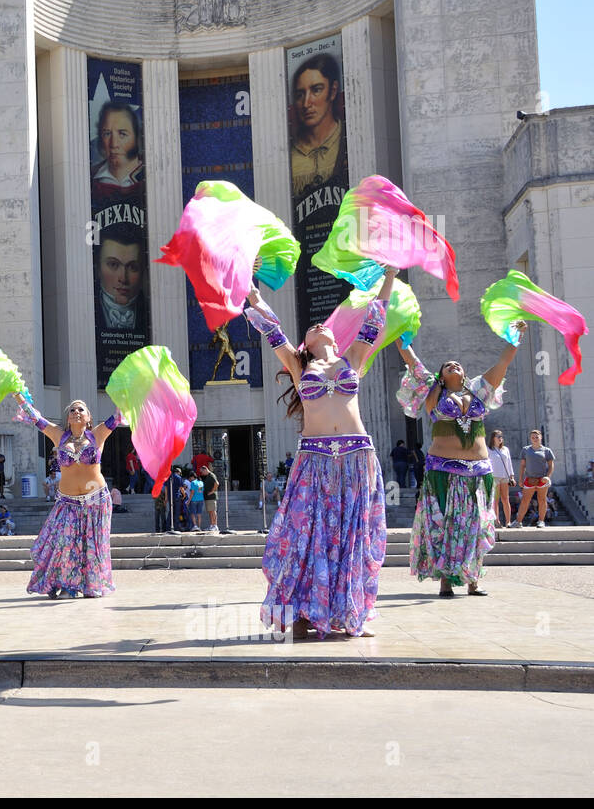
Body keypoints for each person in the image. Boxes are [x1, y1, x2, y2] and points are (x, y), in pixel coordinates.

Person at [244, 267, 396, 638]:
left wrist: (390, 274)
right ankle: (299, 612)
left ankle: (350, 610)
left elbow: (376, 316)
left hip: (357, 457)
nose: (318, 326)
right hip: (313, 459)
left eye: (322, 326)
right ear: (305, 343)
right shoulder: (299, 366)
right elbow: (271, 329)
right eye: (311, 328)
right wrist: (250, 289)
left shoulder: (353, 359)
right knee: (303, 535)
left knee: (352, 535)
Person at [396, 324, 525, 595]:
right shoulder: (433, 390)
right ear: (441, 375)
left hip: (479, 472)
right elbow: (411, 359)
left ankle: (473, 578)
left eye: (458, 364)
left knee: (476, 525)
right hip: (443, 471)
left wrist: (515, 339)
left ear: (464, 373)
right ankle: (446, 579)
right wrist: (398, 333)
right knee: (446, 524)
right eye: (448, 365)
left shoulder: (478, 391)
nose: (454, 365)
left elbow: (502, 364)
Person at [14, 396, 123, 598]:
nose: (76, 412)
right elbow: (36, 418)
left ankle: (92, 585)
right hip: (68, 503)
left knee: (93, 546)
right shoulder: (59, 436)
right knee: (66, 544)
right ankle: (68, 586)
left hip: (96, 501)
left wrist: (128, 392)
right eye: (72, 410)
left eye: (81, 409)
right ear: (68, 418)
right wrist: (18, 396)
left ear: (88, 417)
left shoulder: (97, 434)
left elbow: (118, 416)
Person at [290, 52, 347, 197]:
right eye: (300, 94)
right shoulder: (291, 154)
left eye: (316, 90)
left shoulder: (346, 141)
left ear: (333, 91)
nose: (306, 103)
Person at [94, 222, 149, 335]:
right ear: (98, 269)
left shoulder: (150, 313)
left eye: (133, 267)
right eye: (113, 264)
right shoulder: (88, 310)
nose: (123, 278)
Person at [516, 428, 555, 528]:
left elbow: (551, 465)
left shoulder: (547, 450)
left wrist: (548, 477)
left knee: (542, 500)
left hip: (542, 479)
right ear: (530, 439)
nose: (535, 439)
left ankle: (541, 521)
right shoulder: (525, 450)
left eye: (537, 437)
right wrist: (520, 479)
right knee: (525, 500)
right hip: (530, 479)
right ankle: (518, 522)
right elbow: (522, 466)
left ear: (541, 437)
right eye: (533, 437)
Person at [488, 430, 517, 527]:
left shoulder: (505, 449)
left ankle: (508, 521)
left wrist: (511, 476)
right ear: (493, 438)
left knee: (505, 499)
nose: (500, 438)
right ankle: (497, 521)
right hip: (494, 476)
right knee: (495, 500)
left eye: (501, 436)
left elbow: (509, 463)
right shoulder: (489, 449)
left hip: (505, 476)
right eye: (498, 436)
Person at [199, 464, 220, 534]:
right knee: (210, 511)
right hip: (207, 497)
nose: (202, 473)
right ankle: (212, 525)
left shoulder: (211, 475)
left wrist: (212, 491)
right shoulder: (207, 476)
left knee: (213, 511)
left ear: (205, 469)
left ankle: (215, 525)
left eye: (202, 472)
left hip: (211, 497)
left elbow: (217, 483)